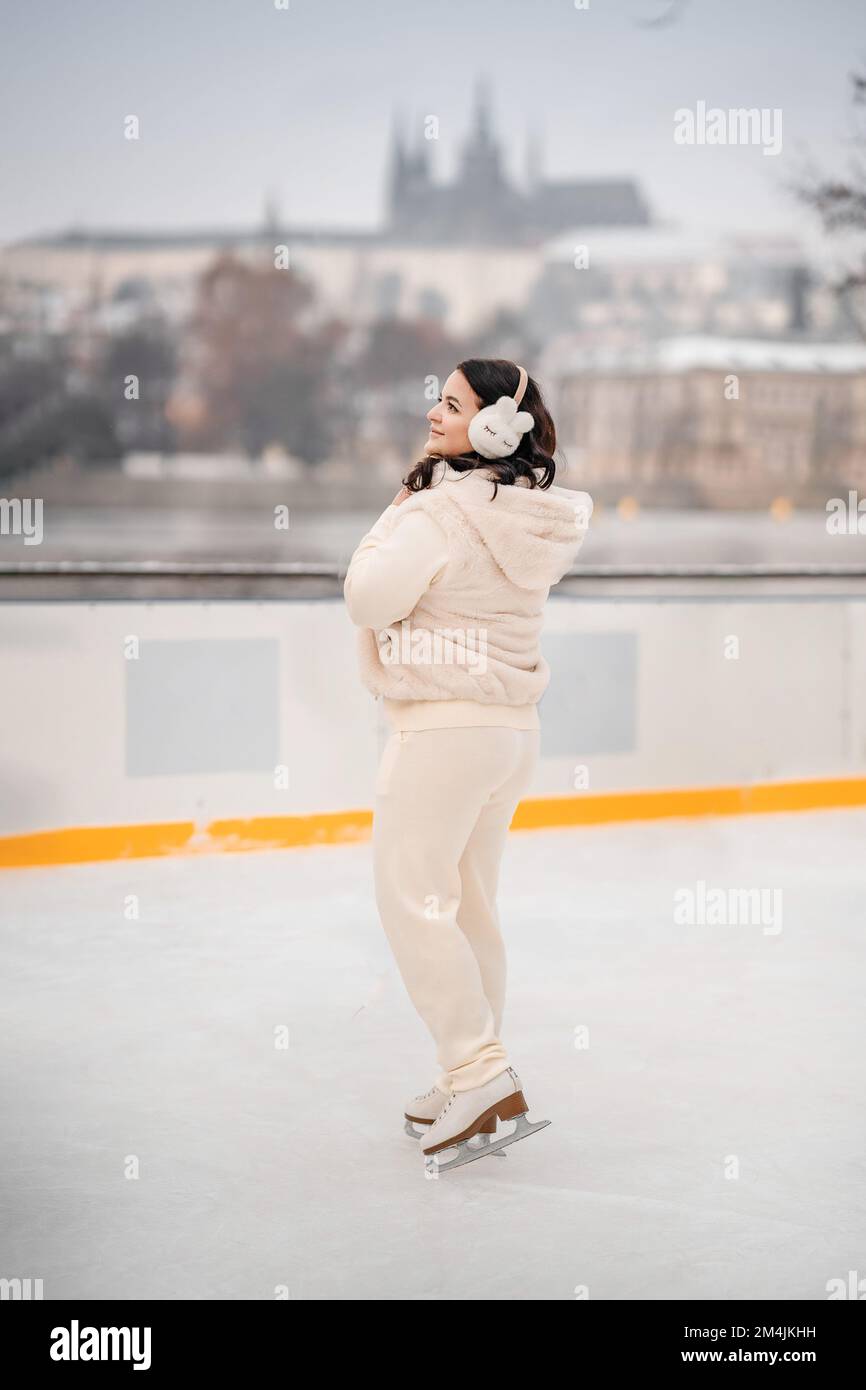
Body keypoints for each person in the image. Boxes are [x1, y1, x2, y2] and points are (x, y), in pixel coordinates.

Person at [343, 358, 592, 1171]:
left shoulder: (439, 513)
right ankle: (471, 1073)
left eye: (450, 405)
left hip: (444, 729)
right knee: (469, 904)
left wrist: (396, 510)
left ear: (492, 426)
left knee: (414, 901)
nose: (432, 415)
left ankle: (478, 1073)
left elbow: (367, 598)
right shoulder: (525, 514)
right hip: (509, 732)